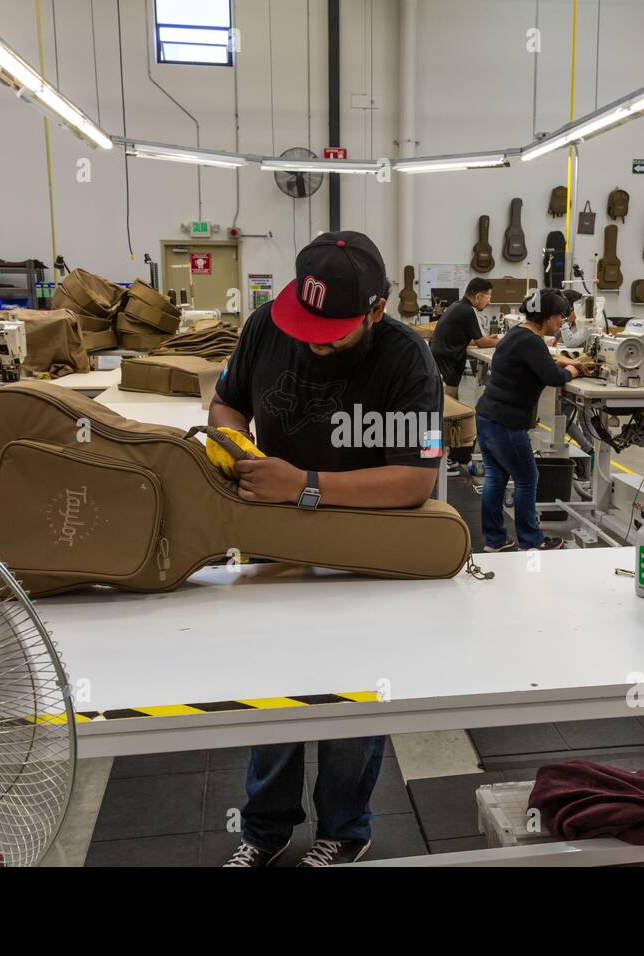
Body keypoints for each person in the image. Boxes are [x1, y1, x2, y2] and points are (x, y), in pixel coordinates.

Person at [208, 230, 442, 867]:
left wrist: (304, 486)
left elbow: (414, 480)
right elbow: (226, 404)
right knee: (272, 692)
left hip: (364, 551)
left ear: (375, 310)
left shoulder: (404, 361)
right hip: (273, 545)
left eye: (332, 330)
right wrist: (237, 447)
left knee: (351, 698)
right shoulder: (268, 326)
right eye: (305, 324)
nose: (312, 341)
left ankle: (343, 829)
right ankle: (264, 830)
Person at [475, 289, 590, 552]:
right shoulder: (532, 342)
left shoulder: (518, 333)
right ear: (547, 317)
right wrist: (572, 369)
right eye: (560, 316)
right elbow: (552, 377)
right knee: (527, 478)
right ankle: (532, 541)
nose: (562, 321)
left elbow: (539, 363)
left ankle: (495, 540)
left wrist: (561, 360)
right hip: (506, 421)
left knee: (495, 478)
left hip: (488, 415)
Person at [429, 277, 500, 400]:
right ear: (478, 297)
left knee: (446, 408)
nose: (489, 302)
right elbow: (482, 343)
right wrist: (507, 340)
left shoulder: (456, 305)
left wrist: (489, 339)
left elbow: (462, 339)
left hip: (440, 366)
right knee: (449, 412)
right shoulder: (468, 311)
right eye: (488, 298)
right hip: (448, 370)